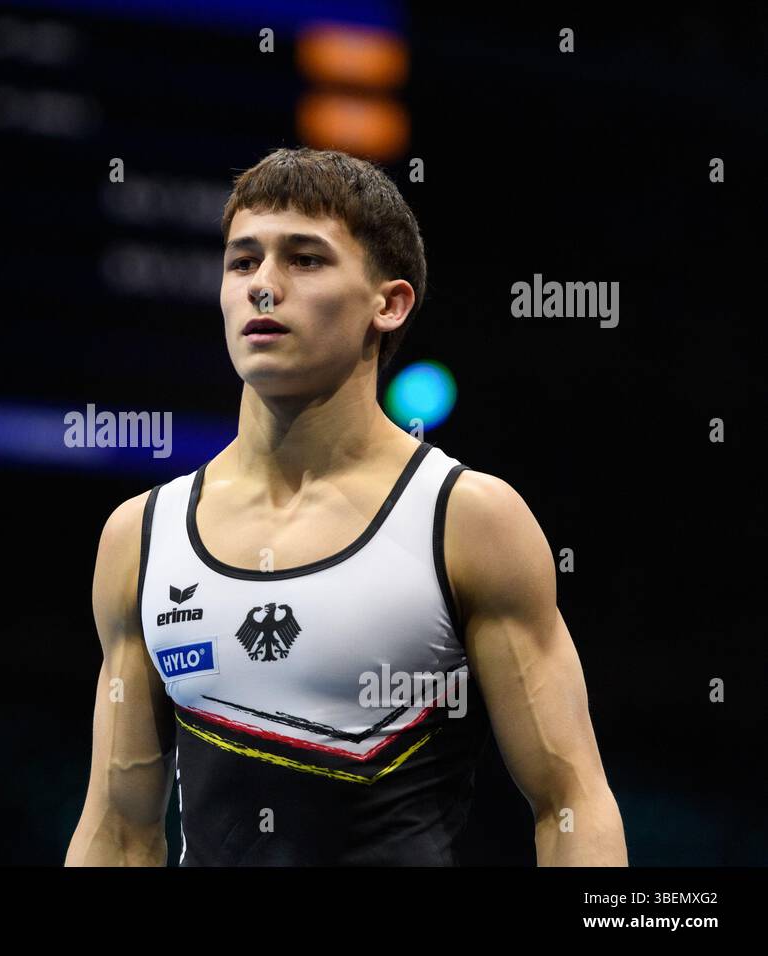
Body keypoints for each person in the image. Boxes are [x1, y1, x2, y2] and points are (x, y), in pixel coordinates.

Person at [65, 147, 626, 866]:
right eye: (242, 262)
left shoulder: (465, 520)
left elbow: (571, 802)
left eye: (304, 260)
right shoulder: (141, 536)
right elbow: (117, 831)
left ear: (388, 304)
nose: (263, 287)